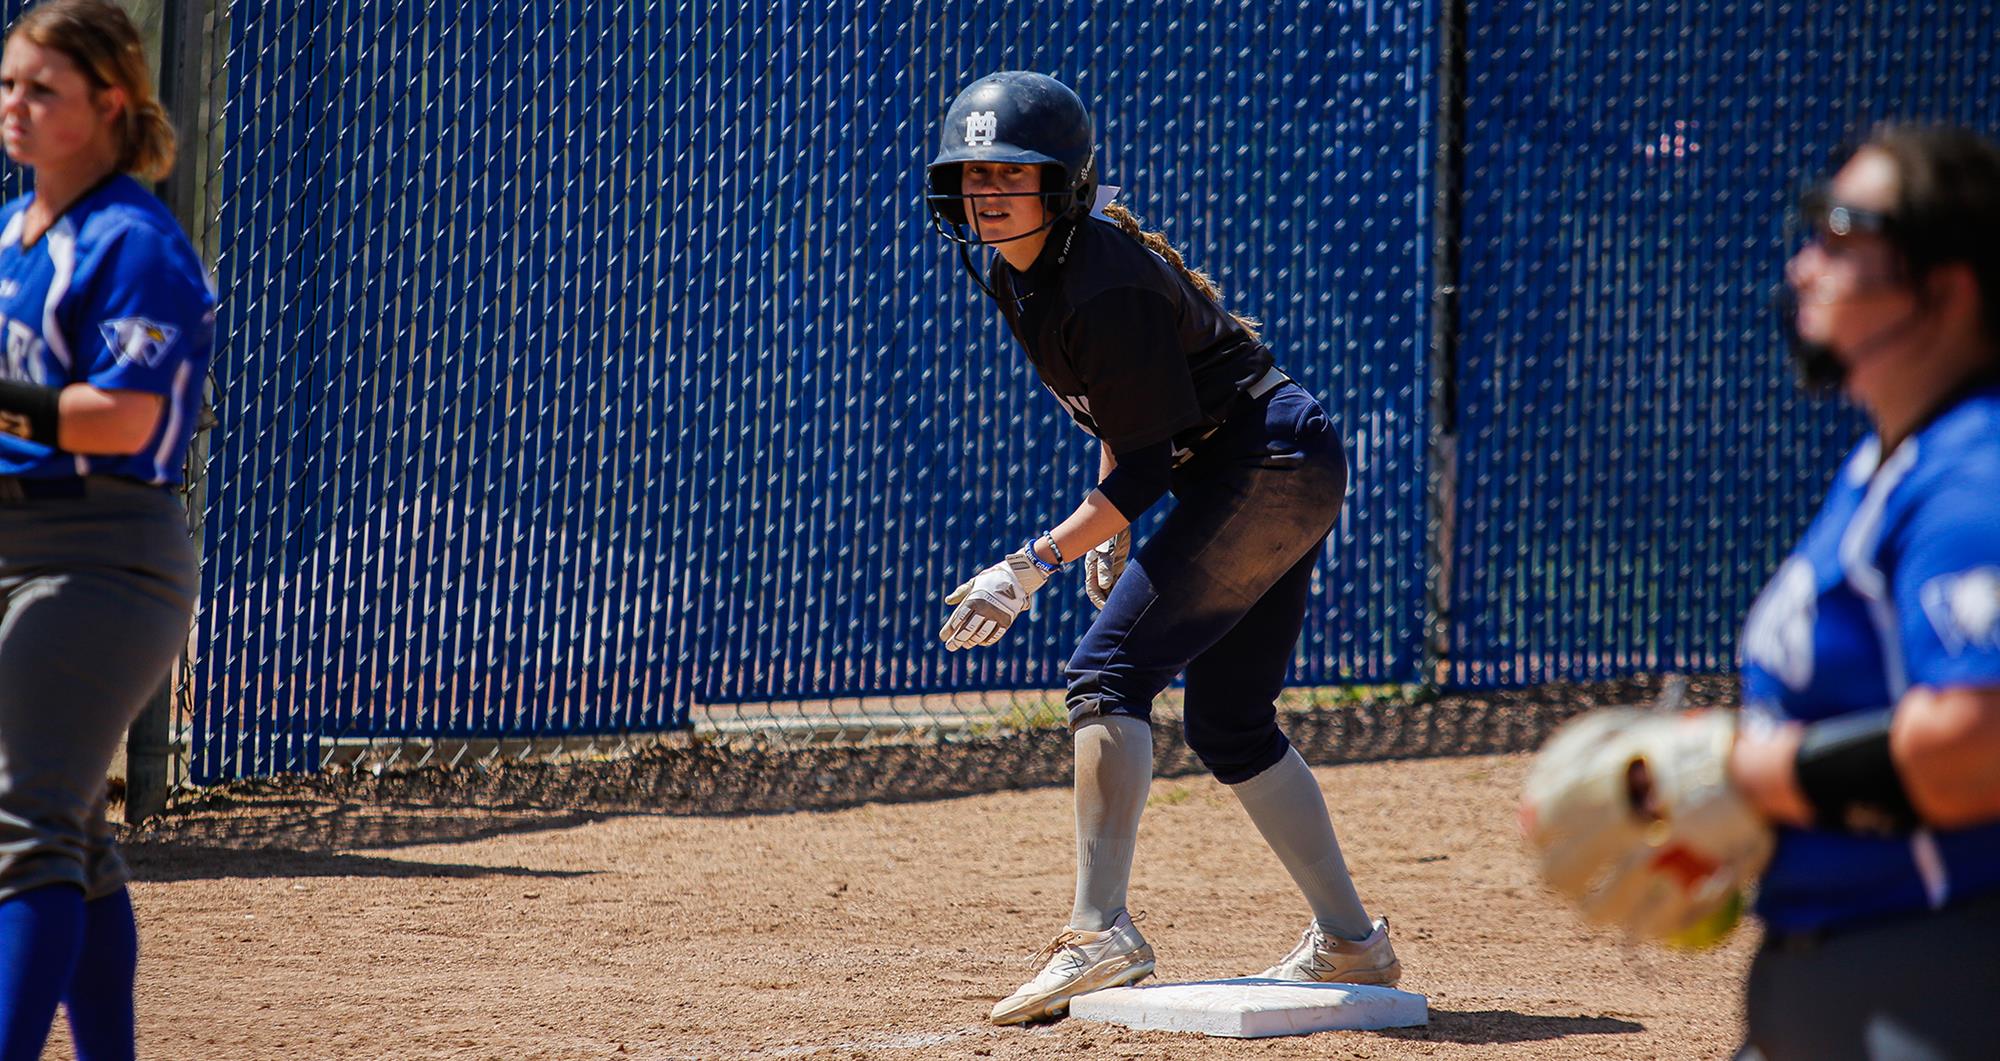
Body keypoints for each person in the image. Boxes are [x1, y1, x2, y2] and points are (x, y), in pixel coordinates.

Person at [923, 71, 1400, 1027]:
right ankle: (1353, 943)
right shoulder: (1028, 267)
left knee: (1105, 673)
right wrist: (1121, 522)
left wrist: (1032, 564)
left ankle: (1100, 929)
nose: (987, 195)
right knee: (1229, 722)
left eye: (1011, 178)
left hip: (1265, 467)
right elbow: (1124, 415)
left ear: (1062, 187)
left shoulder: (1097, 280)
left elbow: (1144, 460)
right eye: (973, 178)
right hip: (1271, 464)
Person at [1521, 124, 2000, 1061]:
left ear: (1946, 288)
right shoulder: (1884, 463)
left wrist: (1741, 771)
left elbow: (1977, 741)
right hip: (1835, 979)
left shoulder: (1974, 477)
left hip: (1937, 978)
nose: (1802, 263)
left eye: (1842, 233)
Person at [0, 2, 214, 1058]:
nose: (16, 106)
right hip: (22, 545)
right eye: (8, 85)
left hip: (103, 555)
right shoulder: (16, 228)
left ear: (110, 104)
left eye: (43, 89)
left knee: (23, 824)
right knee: (74, 833)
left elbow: (121, 416)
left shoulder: (134, 240)